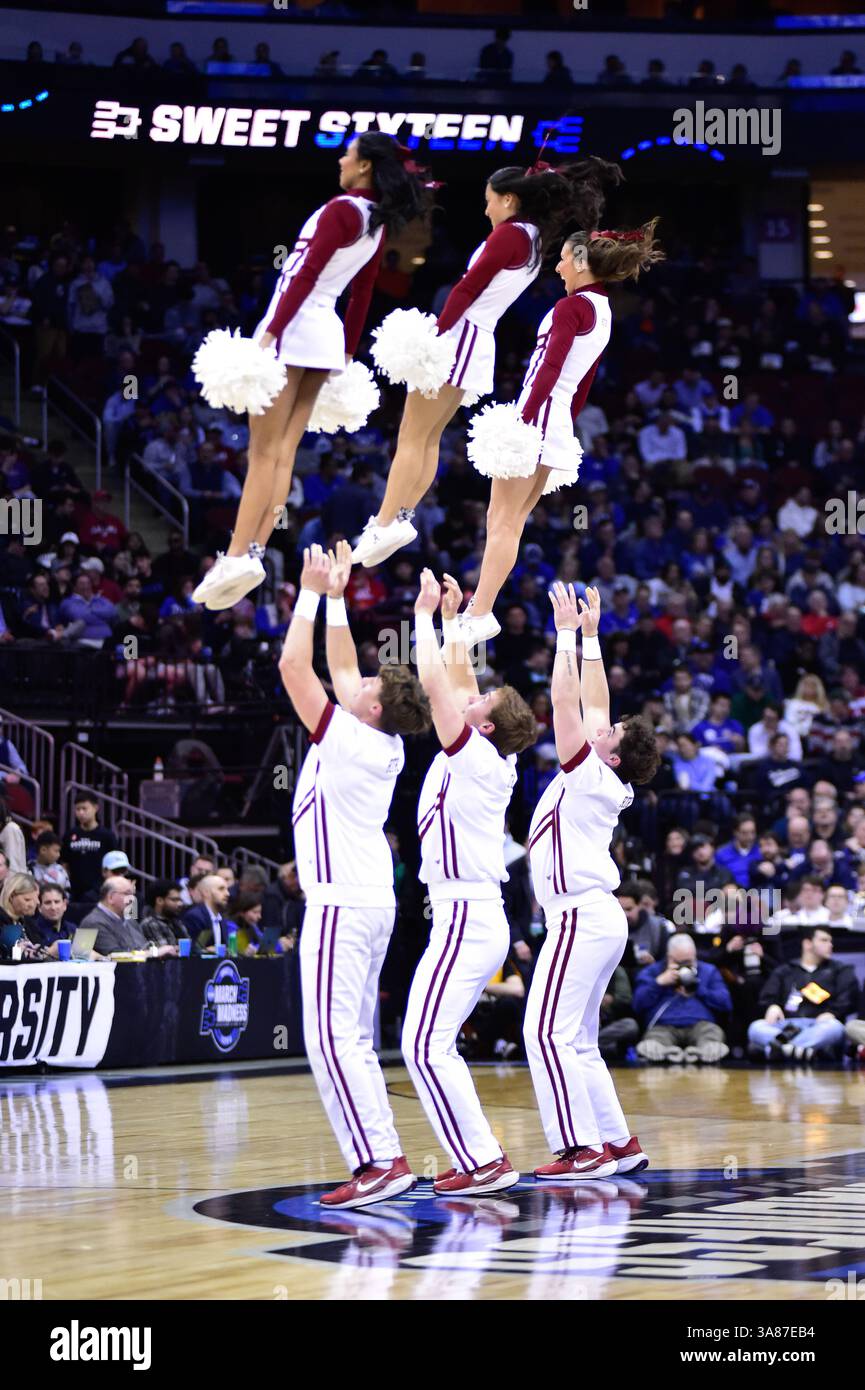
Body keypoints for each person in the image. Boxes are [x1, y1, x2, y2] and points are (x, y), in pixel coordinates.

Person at [192, 136, 429, 610]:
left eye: (348, 154)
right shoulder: (374, 222)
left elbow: (302, 276)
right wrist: (344, 354)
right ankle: (254, 550)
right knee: (284, 452)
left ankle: (237, 553)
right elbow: (361, 295)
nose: (340, 159)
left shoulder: (342, 209)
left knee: (263, 453)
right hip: (325, 336)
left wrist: (268, 336)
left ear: (363, 167)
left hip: (295, 329)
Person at [353, 158, 623, 570]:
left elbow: (466, 287)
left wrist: (435, 339)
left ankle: (387, 520)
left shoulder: (511, 234)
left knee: (413, 432)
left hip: (460, 334)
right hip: (477, 339)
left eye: (490, 201)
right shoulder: (534, 238)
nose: (486, 209)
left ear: (510, 199)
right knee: (428, 436)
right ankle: (402, 517)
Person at [278, 541, 431, 1209]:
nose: (359, 680)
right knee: (355, 1037)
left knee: (331, 1037)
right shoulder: (381, 737)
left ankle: (377, 1160)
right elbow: (340, 668)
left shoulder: (349, 734)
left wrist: (310, 592)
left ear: (371, 708)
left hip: (342, 903)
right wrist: (340, 598)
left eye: (369, 685)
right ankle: (383, 1154)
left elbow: (293, 665)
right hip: (369, 900)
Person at [457, 219, 664, 649]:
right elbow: (583, 382)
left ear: (583, 261)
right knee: (509, 522)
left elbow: (549, 368)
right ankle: (481, 609)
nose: (558, 267)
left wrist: (525, 421)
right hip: (556, 420)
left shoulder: (573, 307)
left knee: (502, 521)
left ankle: (480, 611)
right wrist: (560, 430)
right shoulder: (603, 309)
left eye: (565, 258)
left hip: (538, 416)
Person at [402, 570, 536, 1195]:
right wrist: (456, 624)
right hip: (467, 913)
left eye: (481, 703)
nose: (473, 695)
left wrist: (426, 615)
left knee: (426, 1045)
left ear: (482, 725)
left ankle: (483, 1160)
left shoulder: (475, 753)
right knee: (425, 1043)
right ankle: (480, 1157)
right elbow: (459, 682)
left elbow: (436, 686)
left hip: (465, 914)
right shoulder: (489, 750)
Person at [524, 584, 660, 1178]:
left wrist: (562, 639)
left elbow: (565, 709)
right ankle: (618, 1142)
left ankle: (583, 1149)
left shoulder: (590, 775)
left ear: (609, 754)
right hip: (594, 915)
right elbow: (598, 708)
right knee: (576, 1041)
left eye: (611, 734)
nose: (601, 728)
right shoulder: (608, 773)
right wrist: (593, 638)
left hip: (579, 914)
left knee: (544, 1033)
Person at [747, 926, 857, 1061]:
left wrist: (833, 1013)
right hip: (785, 1026)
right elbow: (768, 996)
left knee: (835, 1028)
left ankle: (781, 1048)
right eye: (824, 940)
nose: (830, 945)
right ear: (807, 943)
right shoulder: (785, 970)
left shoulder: (840, 970)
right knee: (755, 1027)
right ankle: (800, 1049)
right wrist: (772, 1006)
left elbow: (847, 998)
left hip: (819, 1025)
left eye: (830, 941)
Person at [634, 934, 733, 1063]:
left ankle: (703, 1052)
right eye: (678, 963)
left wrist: (698, 988)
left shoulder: (709, 971)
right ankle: (666, 1052)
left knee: (711, 1034)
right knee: (654, 1040)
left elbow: (726, 1003)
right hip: (663, 1025)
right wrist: (659, 983)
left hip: (700, 1024)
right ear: (669, 957)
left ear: (695, 956)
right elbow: (637, 1004)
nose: (684, 967)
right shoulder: (652, 972)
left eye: (688, 962)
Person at [82, 876, 177, 958]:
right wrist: (155, 953)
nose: (132, 899)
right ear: (111, 897)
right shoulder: (92, 922)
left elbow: (143, 947)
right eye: (127, 894)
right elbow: (116, 957)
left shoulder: (130, 921)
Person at [61, 792, 118, 901]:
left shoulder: (107, 835)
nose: (81, 813)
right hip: (75, 893)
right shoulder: (70, 835)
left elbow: (114, 865)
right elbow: (65, 863)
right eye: (78, 809)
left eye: (84, 808)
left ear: (95, 808)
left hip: (99, 892)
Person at [0, 872, 44, 960]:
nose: (36, 903)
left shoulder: (27, 922)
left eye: (36, 898)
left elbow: (40, 945)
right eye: (27, 900)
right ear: (11, 897)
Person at [181, 873, 230, 952]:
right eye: (221, 889)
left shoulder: (222, 918)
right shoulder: (194, 917)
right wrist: (207, 950)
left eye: (227, 889)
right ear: (206, 892)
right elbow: (192, 950)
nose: (227, 894)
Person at [139, 880, 189, 949]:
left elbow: (189, 947)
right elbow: (167, 952)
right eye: (174, 900)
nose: (180, 904)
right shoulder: (150, 924)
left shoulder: (177, 922)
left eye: (180, 900)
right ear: (159, 901)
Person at [30, 883, 77, 956]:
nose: (53, 907)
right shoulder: (31, 930)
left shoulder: (72, 929)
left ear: (64, 905)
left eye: (57, 902)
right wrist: (50, 952)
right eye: (48, 903)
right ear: (39, 907)